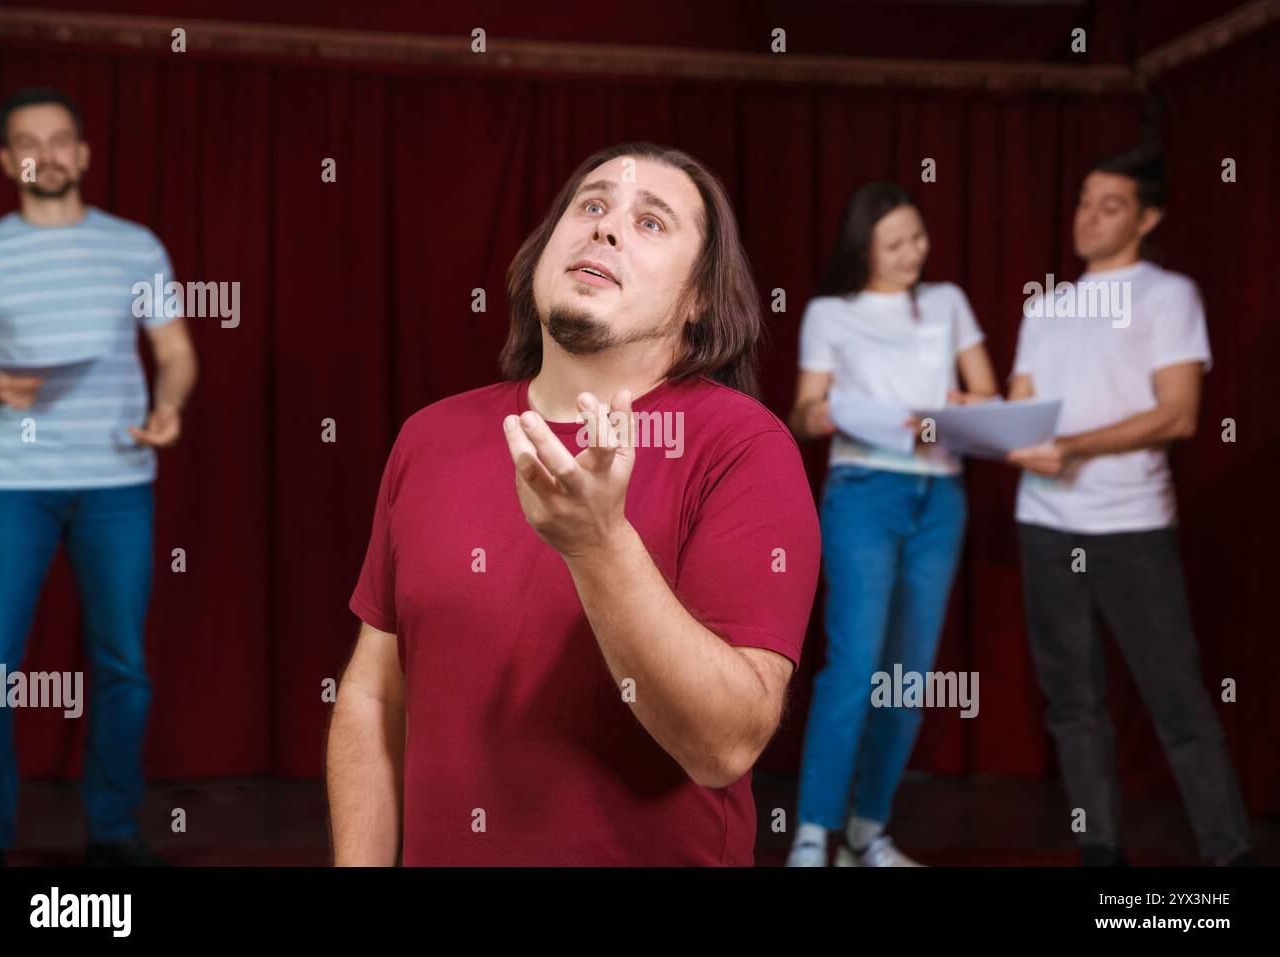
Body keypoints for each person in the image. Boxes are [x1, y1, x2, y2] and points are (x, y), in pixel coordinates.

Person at [325, 142, 822, 866]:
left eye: (651, 222)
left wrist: (598, 544)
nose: (607, 227)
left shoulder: (745, 447)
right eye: (591, 206)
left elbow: (726, 744)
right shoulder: (430, 436)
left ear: (699, 299)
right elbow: (375, 698)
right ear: (541, 254)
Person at [1005, 147, 1256, 866]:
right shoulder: (1046, 303)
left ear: (1148, 217)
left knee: (1176, 700)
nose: (1089, 216)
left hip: (1131, 528)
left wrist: (1074, 445)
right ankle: (1100, 851)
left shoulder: (1167, 294)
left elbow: (1177, 414)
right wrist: (977, 417)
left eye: (1109, 205)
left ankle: (1229, 853)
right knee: (1073, 705)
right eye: (1084, 200)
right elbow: (1026, 409)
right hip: (1045, 525)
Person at [0, 87, 197, 868]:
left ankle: (112, 828)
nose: (48, 151)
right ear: (8, 161)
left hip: (116, 480)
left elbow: (174, 355)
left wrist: (168, 407)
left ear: (84, 153)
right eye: (29, 141)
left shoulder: (134, 246)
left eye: (62, 137)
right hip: (7, 482)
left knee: (121, 663)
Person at [785, 182, 997, 867]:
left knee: (908, 675)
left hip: (940, 496)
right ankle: (814, 830)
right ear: (864, 247)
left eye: (918, 237)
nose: (915, 252)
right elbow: (804, 412)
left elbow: (989, 399)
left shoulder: (946, 302)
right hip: (862, 492)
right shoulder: (829, 313)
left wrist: (961, 405)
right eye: (896, 242)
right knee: (854, 665)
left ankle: (868, 831)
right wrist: (831, 411)